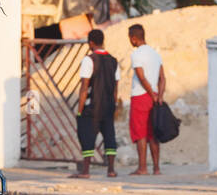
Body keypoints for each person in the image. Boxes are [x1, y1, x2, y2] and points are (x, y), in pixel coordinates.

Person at [71, 28, 120, 178]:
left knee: (86, 135)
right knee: (109, 136)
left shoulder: (89, 60)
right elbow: (116, 87)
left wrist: (80, 109)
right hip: (108, 106)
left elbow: (84, 87)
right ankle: (111, 170)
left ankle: (85, 171)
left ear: (91, 42)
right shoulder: (114, 60)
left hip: (92, 106)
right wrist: (114, 105)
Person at [128, 23, 165, 176]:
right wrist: (159, 96)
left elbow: (141, 77)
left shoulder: (136, 55)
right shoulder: (156, 54)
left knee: (141, 133)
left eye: (130, 38)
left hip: (140, 96)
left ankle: (142, 168)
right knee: (153, 133)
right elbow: (162, 78)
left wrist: (151, 93)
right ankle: (156, 168)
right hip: (155, 98)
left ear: (134, 39)